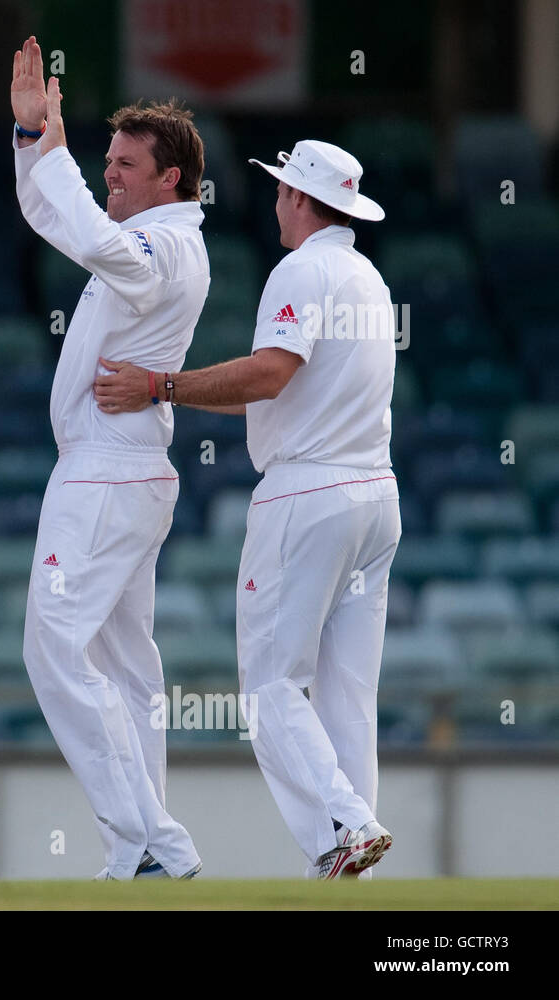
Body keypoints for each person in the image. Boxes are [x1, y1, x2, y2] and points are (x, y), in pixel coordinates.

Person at [92, 139, 399, 879]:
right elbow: (292, 389)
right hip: (375, 495)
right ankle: (348, 852)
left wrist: (159, 386)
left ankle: (348, 826)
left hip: (309, 494)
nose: (275, 202)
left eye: (281, 190)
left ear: (298, 198)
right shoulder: (369, 276)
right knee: (348, 691)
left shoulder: (301, 269)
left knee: (268, 685)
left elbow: (270, 373)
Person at [10, 36, 206, 880]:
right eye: (107, 161)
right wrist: (30, 144)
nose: (112, 175)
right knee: (127, 669)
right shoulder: (139, 237)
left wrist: (54, 152)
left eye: (126, 164)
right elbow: (59, 218)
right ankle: (139, 853)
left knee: (51, 644)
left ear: (172, 178)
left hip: (108, 470)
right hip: (116, 470)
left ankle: (154, 843)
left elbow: (88, 229)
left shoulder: (162, 248)